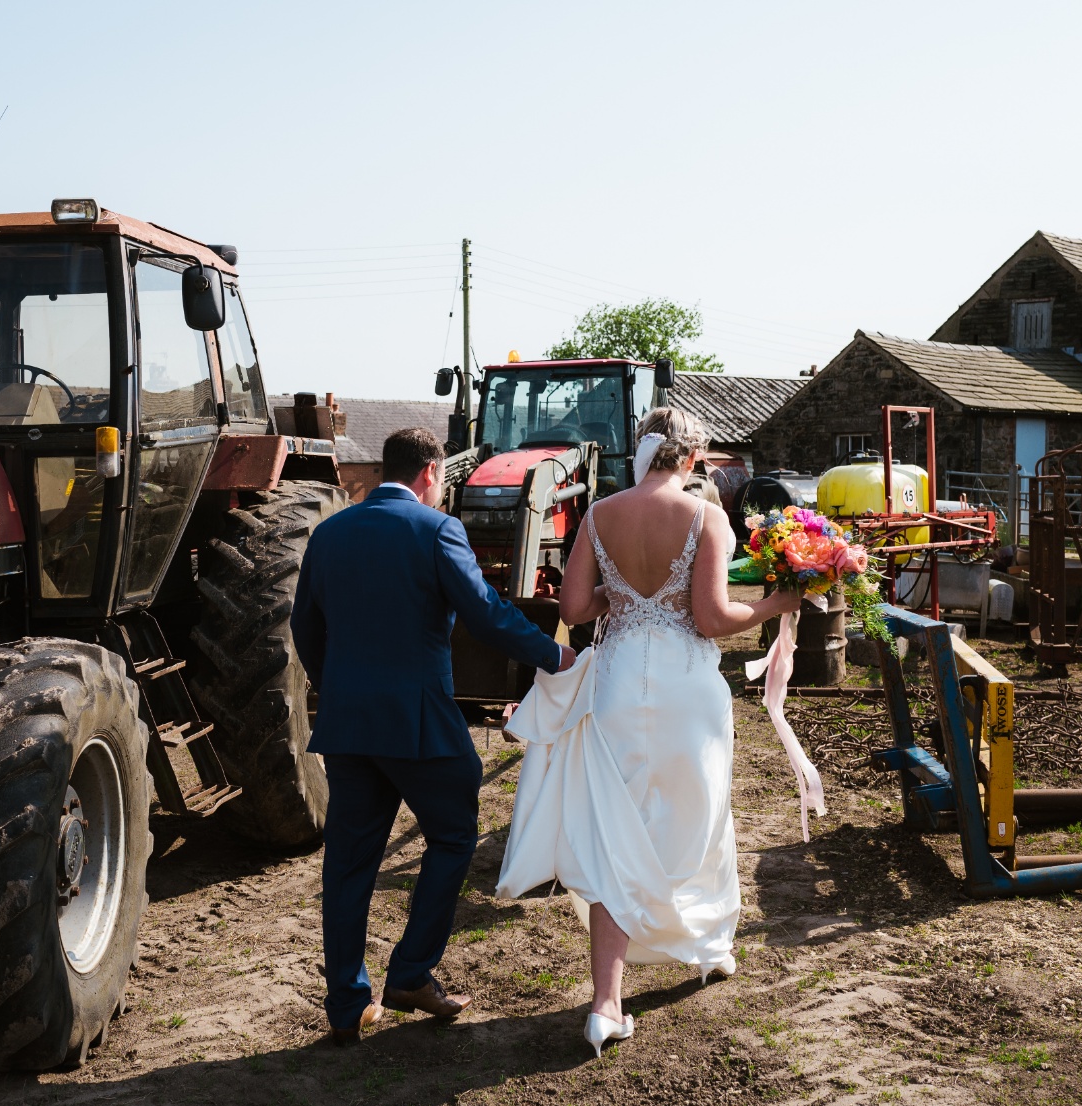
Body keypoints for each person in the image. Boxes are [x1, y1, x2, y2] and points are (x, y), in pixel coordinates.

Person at [495, 406, 801, 1056]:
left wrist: (622, 596)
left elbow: (574, 608)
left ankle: (607, 1002)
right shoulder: (706, 514)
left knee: (615, 833)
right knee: (701, 816)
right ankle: (709, 946)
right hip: (686, 689)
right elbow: (713, 617)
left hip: (617, 685)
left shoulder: (601, 513)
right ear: (692, 458)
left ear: (642, 448)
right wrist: (776, 604)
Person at [292, 426, 576, 1047]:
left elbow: (304, 626)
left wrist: (335, 685)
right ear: (429, 473)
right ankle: (412, 973)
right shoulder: (437, 529)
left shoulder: (329, 533)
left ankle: (346, 1005)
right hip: (418, 721)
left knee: (347, 864)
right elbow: (485, 614)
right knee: (453, 836)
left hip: (348, 724)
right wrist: (555, 656)